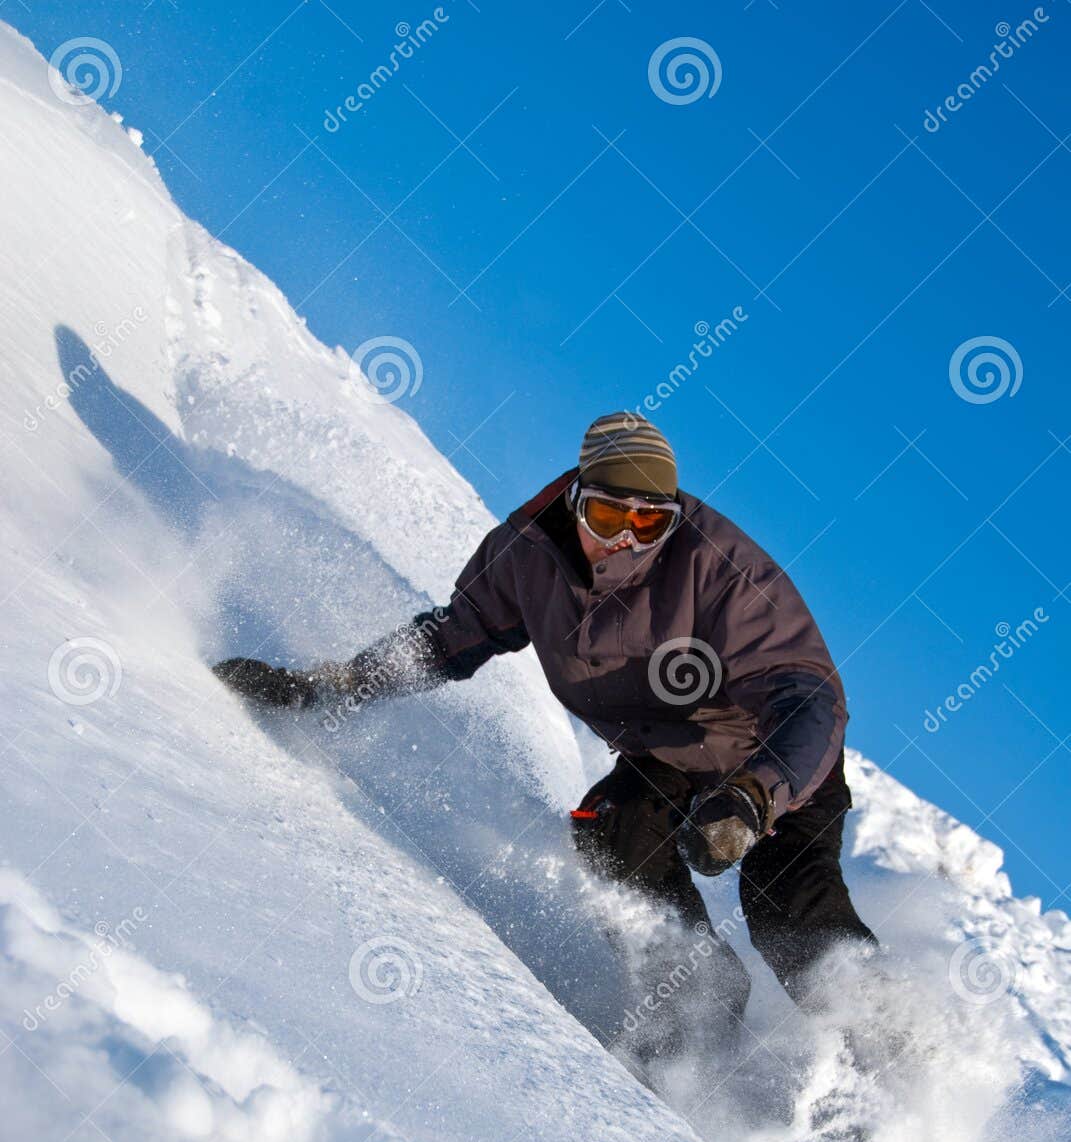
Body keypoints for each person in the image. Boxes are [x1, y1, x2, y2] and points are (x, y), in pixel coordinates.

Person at [215, 411, 875, 1058]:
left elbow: (807, 694)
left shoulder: (718, 569)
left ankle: (896, 1070)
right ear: (575, 501)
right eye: (609, 517)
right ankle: (693, 1007)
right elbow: (449, 639)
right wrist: (327, 688)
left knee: (791, 911)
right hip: (665, 751)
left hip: (775, 754)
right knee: (609, 828)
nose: (627, 540)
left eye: (650, 523)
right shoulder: (526, 556)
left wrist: (754, 797)